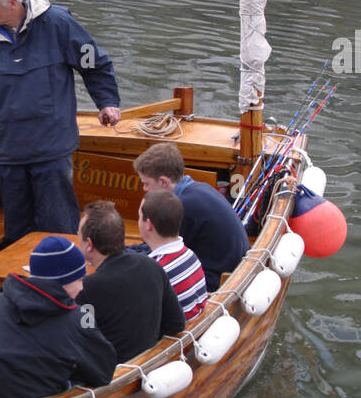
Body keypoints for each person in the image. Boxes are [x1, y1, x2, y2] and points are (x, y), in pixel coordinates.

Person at [0, 0, 122, 243]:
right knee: (18, 233)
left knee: (59, 225)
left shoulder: (58, 25)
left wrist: (107, 102)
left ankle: (66, 268)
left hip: (51, 149)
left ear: (13, 3)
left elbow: (94, 63)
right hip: (8, 154)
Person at [0, 235, 116, 398]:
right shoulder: (78, 320)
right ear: (61, 282)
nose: (82, 287)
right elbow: (104, 371)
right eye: (79, 280)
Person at [77, 200, 185, 362]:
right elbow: (176, 323)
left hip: (116, 373)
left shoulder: (87, 288)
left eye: (78, 234)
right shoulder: (151, 265)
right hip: (149, 364)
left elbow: (82, 344)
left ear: (89, 244)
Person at [133, 143, 249, 291]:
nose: (144, 189)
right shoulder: (199, 188)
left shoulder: (182, 208)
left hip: (219, 281)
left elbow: (159, 250)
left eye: (146, 183)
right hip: (236, 268)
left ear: (163, 182)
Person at [137, 190, 208, 322]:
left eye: (139, 217)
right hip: (195, 326)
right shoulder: (189, 255)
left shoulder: (153, 272)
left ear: (149, 225)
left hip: (176, 334)